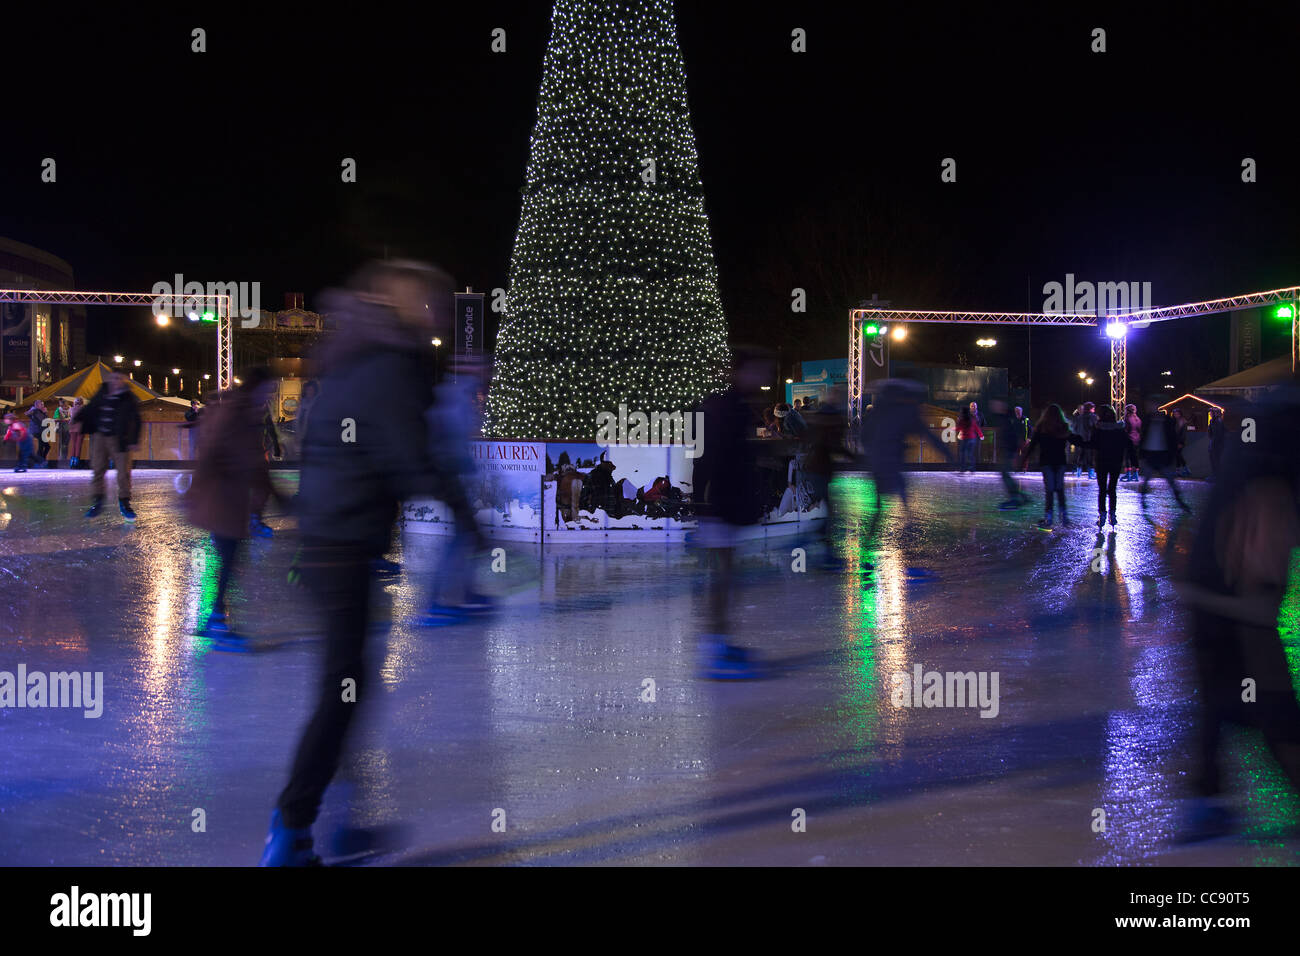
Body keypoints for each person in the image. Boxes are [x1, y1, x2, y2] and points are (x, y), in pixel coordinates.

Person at [260, 259, 458, 866]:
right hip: (340, 548)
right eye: (430, 304)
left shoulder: (353, 359)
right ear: (405, 305)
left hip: (326, 545)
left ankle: (340, 822)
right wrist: (475, 525)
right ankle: (293, 830)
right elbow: (409, 461)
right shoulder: (388, 367)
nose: (437, 317)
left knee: (347, 688)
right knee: (342, 693)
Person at [1177, 383, 1300, 840]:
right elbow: (1265, 525)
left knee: (1218, 698)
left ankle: (1208, 797)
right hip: (1238, 596)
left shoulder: (1256, 440)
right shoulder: (1277, 452)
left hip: (1208, 589)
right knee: (1268, 702)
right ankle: (1210, 798)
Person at [185, 368, 288, 648]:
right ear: (256, 389)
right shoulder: (237, 414)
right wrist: (195, 491)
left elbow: (254, 462)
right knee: (229, 559)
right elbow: (223, 455)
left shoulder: (242, 411)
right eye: (268, 390)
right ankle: (216, 620)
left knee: (229, 559)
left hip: (228, 498)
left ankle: (214, 618)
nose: (269, 396)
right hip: (223, 498)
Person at [691, 346, 772, 679]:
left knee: (726, 575)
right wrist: (704, 502)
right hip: (719, 504)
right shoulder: (724, 407)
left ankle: (719, 642)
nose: (762, 377)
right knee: (722, 579)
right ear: (740, 372)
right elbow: (709, 457)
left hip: (723, 503)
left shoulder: (736, 406)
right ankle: (713, 649)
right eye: (756, 370)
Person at [76, 369, 141, 519]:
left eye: (119, 378)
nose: (116, 381)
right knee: (97, 468)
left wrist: (134, 440)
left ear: (123, 380)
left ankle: (125, 502)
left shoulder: (128, 397)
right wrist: (77, 420)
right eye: (114, 378)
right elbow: (91, 407)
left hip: (120, 438)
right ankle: (98, 501)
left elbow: (136, 419)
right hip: (100, 436)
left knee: (123, 472)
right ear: (110, 378)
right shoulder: (103, 391)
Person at [1018, 404, 1074, 528]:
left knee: (1049, 490)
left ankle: (1049, 518)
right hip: (1060, 462)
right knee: (1059, 489)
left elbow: (1033, 445)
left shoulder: (1042, 427)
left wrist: (1024, 458)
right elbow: (1075, 439)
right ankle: (1064, 517)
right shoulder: (1063, 427)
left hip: (1046, 462)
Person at [1078, 405, 1129, 528]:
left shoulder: (1099, 429)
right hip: (1116, 461)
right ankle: (1113, 514)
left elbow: (1093, 444)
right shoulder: (1120, 429)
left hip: (1102, 462)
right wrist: (1132, 461)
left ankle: (1102, 515)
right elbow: (1128, 445)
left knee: (1102, 489)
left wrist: (1077, 440)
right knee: (1112, 489)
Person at [1138, 396, 1190, 515]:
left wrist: (1172, 453)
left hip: (1161, 455)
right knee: (1149, 480)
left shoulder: (1165, 420)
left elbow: (1172, 438)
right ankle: (1143, 501)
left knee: (1169, 480)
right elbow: (1143, 437)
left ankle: (1180, 502)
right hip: (1152, 454)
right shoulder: (1149, 420)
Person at [993, 399, 1030, 509]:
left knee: (1005, 474)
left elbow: (1010, 435)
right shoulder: (1006, 419)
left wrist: (1009, 449)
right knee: (1005, 474)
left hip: (1008, 451)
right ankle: (1020, 496)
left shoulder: (1008, 420)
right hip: (1008, 450)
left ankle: (1016, 497)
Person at [1071, 402, 1098, 478]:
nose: (1094, 410)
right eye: (1093, 408)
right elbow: (1095, 427)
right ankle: (1090, 473)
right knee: (1090, 457)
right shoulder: (1093, 417)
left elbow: (1074, 428)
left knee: (1080, 456)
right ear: (1090, 409)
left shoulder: (1079, 417)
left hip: (1080, 439)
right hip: (1090, 439)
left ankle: (1078, 472)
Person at [1121, 403, 1141, 481]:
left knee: (1127, 457)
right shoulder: (1138, 419)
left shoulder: (1127, 418)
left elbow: (1126, 430)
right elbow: (1139, 430)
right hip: (1137, 440)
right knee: (1135, 457)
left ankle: (1128, 474)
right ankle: (1135, 475)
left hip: (1129, 439)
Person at [27, 400, 49, 468]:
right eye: (41, 404)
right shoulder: (36, 411)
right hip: (37, 431)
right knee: (42, 446)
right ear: (37, 405)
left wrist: (44, 413)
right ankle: (40, 462)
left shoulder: (36, 411)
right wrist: (45, 412)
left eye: (43, 404)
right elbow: (43, 421)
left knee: (44, 446)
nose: (43, 406)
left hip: (39, 431)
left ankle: (41, 461)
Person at [67, 397, 86, 468]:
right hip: (80, 427)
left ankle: (72, 461)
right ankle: (77, 462)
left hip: (72, 427)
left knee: (74, 445)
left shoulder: (71, 409)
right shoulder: (83, 409)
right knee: (78, 445)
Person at [1171, 407, 1190, 476]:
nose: (1176, 415)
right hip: (1175, 441)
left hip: (1179, 441)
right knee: (1177, 455)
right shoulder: (1174, 421)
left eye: (1177, 414)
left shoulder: (1182, 422)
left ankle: (1184, 469)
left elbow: (1183, 433)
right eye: (1174, 414)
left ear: (1180, 414)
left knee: (1178, 455)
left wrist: (1181, 442)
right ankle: (1180, 470)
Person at [1207, 406, 1224, 481]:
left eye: (1211, 412)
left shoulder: (1218, 421)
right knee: (1213, 461)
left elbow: (1218, 434)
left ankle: (1217, 477)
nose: (1210, 414)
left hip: (1216, 445)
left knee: (1216, 461)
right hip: (1213, 444)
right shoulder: (1213, 421)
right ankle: (1215, 475)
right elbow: (1210, 433)